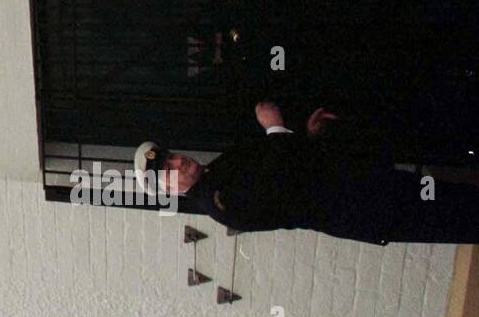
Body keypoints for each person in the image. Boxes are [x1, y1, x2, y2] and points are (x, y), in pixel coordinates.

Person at [134, 102, 479, 245]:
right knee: (452, 216)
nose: (178, 163)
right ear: (170, 189)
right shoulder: (219, 202)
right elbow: (284, 184)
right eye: (167, 169)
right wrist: (275, 128)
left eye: (172, 157)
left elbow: (291, 161)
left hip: (363, 186)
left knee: (449, 197)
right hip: (363, 208)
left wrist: (306, 137)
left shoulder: (219, 169)